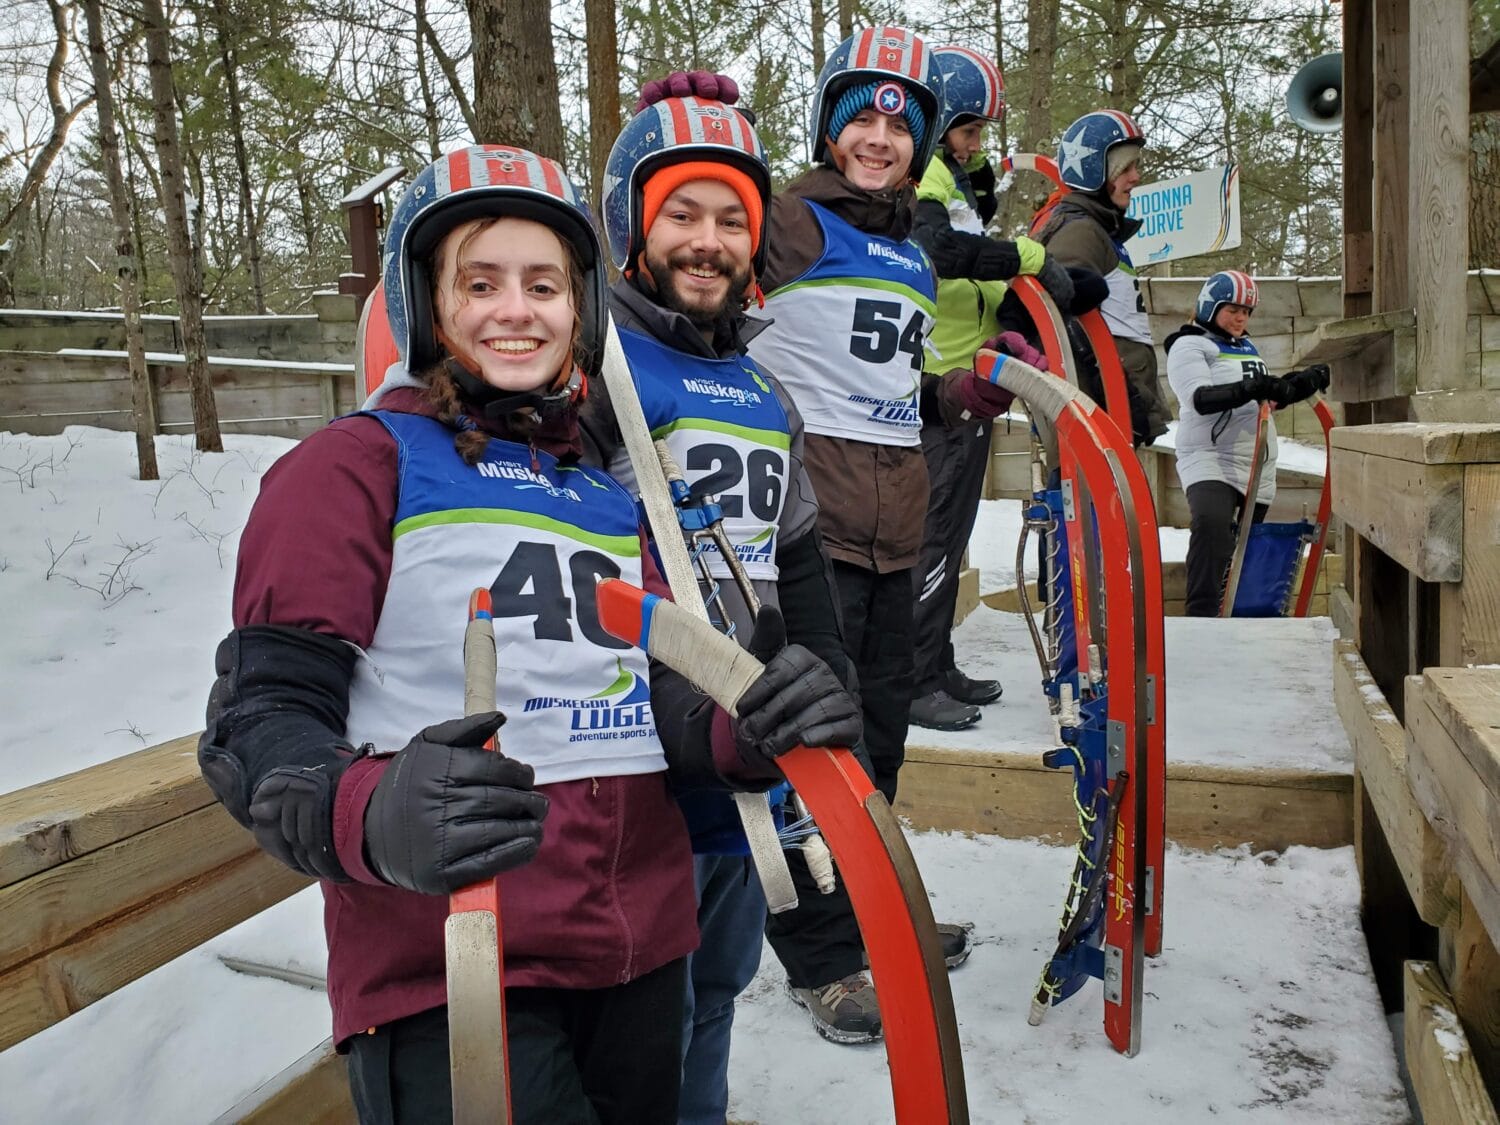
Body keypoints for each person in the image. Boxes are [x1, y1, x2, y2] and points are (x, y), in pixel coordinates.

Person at [196, 144, 860, 1124]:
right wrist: (365, 811)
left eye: (543, 284)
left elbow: (655, 704)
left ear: (579, 310)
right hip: (454, 962)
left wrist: (745, 728)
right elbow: (262, 718)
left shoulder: (600, 495)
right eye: (480, 281)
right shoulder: (351, 468)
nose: (517, 310)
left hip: (635, 953)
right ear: (425, 303)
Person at [640, 28, 1039, 1043]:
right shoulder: (795, 221)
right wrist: (674, 140)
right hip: (805, 528)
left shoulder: (910, 251)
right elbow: (689, 237)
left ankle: (870, 907)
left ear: (927, 145)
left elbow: (887, 385)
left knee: (882, 745)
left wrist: (956, 391)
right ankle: (822, 962)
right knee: (812, 747)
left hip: (896, 528)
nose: (877, 138)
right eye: (857, 117)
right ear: (828, 127)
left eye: (899, 125)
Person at [582, 93, 854, 1123]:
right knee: (632, 1011)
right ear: (631, 227)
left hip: (742, 754)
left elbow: (801, 571)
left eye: (731, 219)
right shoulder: (591, 359)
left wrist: (835, 706)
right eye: (681, 214)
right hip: (629, 755)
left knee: (717, 989)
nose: (708, 242)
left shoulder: (760, 389)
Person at [907, 44, 1061, 732]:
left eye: (979, 134)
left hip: (972, 390)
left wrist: (1012, 299)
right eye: (968, 131)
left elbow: (969, 280)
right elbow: (935, 255)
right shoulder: (925, 182)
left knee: (954, 534)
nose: (977, 145)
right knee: (933, 540)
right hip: (934, 391)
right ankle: (912, 678)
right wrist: (1020, 256)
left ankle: (935, 660)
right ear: (939, 128)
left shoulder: (964, 189)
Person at [1163, 270, 1330, 616]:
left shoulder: (1247, 346)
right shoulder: (1189, 345)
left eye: (1247, 311)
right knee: (1212, 525)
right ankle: (1202, 615)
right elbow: (1200, 398)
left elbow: (1267, 397)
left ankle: (1237, 611)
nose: (1241, 318)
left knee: (1247, 544)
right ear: (1210, 306)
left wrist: (1298, 384)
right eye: (1233, 309)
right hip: (1209, 456)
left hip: (1255, 463)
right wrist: (1255, 388)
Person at [1033, 110, 1172, 446]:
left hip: (1108, 416)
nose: (1136, 177)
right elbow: (1063, 325)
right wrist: (1118, 396)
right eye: (1126, 168)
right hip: (1096, 419)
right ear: (1096, 171)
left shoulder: (1099, 231)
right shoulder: (1080, 232)